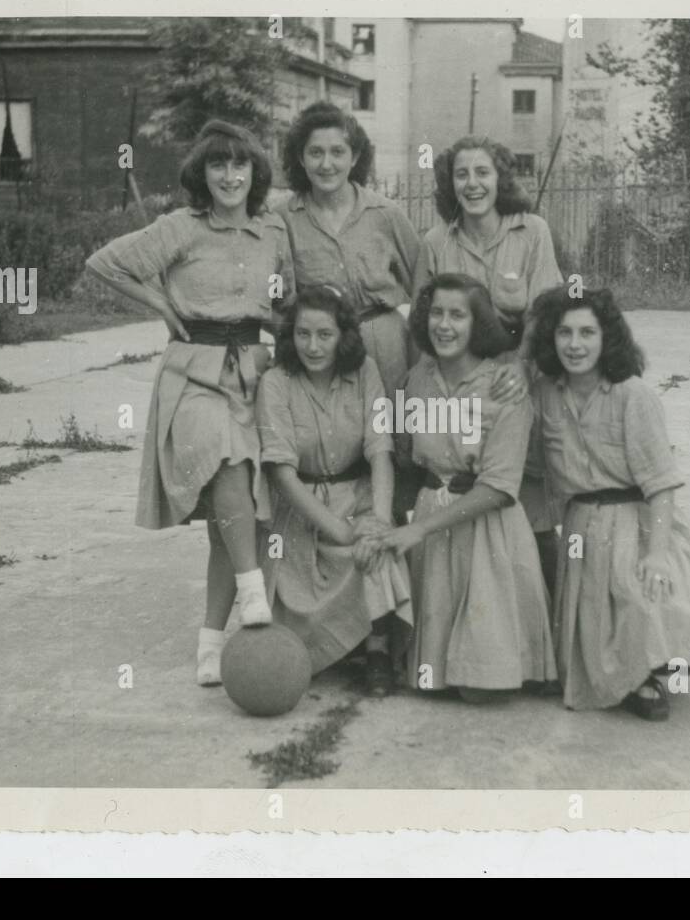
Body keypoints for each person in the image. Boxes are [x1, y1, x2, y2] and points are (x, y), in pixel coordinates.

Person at [85, 119, 293, 687]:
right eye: (217, 166)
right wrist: (158, 301)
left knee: (236, 516)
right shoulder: (181, 227)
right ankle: (254, 593)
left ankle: (209, 646)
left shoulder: (272, 231)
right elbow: (104, 262)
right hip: (193, 374)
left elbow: (286, 300)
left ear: (256, 172)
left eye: (240, 165)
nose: (230, 176)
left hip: (251, 371)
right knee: (227, 462)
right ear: (202, 175)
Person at [526, 286, 690, 720]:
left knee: (642, 595)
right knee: (591, 626)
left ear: (607, 337)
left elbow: (662, 484)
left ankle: (648, 674)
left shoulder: (633, 395)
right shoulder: (544, 394)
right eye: (564, 333)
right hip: (581, 524)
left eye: (587, 333)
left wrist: (657, 554)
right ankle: (626, 672)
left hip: (638, 520)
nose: (575, 345)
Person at [369, 273, 558, 701]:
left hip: (490, 533)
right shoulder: (415, 381)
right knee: (436, 685)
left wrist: (419, 529)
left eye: (458, 315)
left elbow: (499, 487)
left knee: (482, 690)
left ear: (479, 324)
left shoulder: (504, 386)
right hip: (434, 538)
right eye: (436, 313)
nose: (444, 325)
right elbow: (402, 458)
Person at [412, 135, 563, 592]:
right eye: (462, 174)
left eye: (482, 173)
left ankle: (544, 628)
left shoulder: (531, 230)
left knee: (530, 508)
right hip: (460, 383)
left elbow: (547, 308)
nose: (472, 184)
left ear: (500, 178)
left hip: (518, 379)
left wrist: (520, 366)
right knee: (465, 492)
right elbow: (423, 320)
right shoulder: (437, 241)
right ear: (449, 183)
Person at [255, 286, 413, 696]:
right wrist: (341, 531)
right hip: (300, 507)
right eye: (303, 334)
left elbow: (380, 451)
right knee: (301, 592)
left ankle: (377, 647)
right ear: (290, 336)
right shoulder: (276, 382)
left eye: (324, 335)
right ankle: (338, 645)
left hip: (355, 492)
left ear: (343, 336)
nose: (313, 345)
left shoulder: (366, 373)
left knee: (378, 548)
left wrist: (377, 522)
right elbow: (282, 474)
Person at [278, 101, 421, 398]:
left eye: (338, 152)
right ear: (301, 159)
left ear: (355, 157)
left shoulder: (385, 213)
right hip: (320, 354)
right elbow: (275, 299)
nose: (326, 164)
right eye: (315, 153)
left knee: (394, 434)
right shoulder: (283, 220)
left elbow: (424, 286)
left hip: (386, 348)